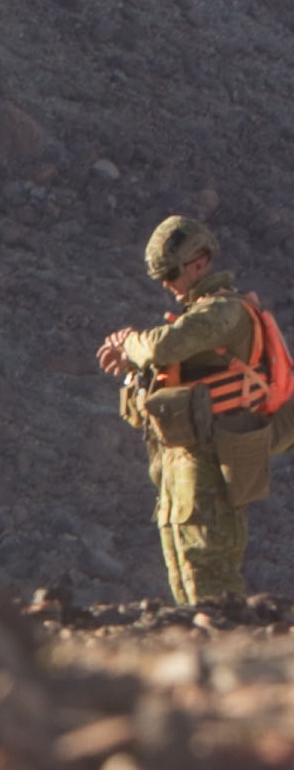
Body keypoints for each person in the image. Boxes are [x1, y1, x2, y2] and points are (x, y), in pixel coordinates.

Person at [97, 214, 272, 608]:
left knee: (212, 582)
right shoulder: (199, 316)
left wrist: (130, 342)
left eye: (171, 274)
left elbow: (164, 346)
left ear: (198, 263)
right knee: (186, 578)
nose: (166, 285)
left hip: (211, 466)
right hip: (183, 469)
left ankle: (232, 659)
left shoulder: (225, 311)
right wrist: (132, 366)